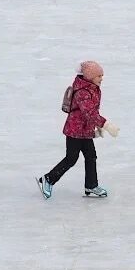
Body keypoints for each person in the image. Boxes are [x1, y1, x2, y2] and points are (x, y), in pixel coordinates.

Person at [38, 60, 118, 199]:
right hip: (74, 130)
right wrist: (106, 125)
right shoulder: (83, 91)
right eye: (99, 76)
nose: (101, 79)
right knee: (71, 158)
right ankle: (48, 179)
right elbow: (89, 113)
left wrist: (96, 126)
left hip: (85, 130)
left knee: (91, 156)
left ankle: (91, 185)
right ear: (89, 76)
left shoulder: (91, 87)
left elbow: (92, 111)